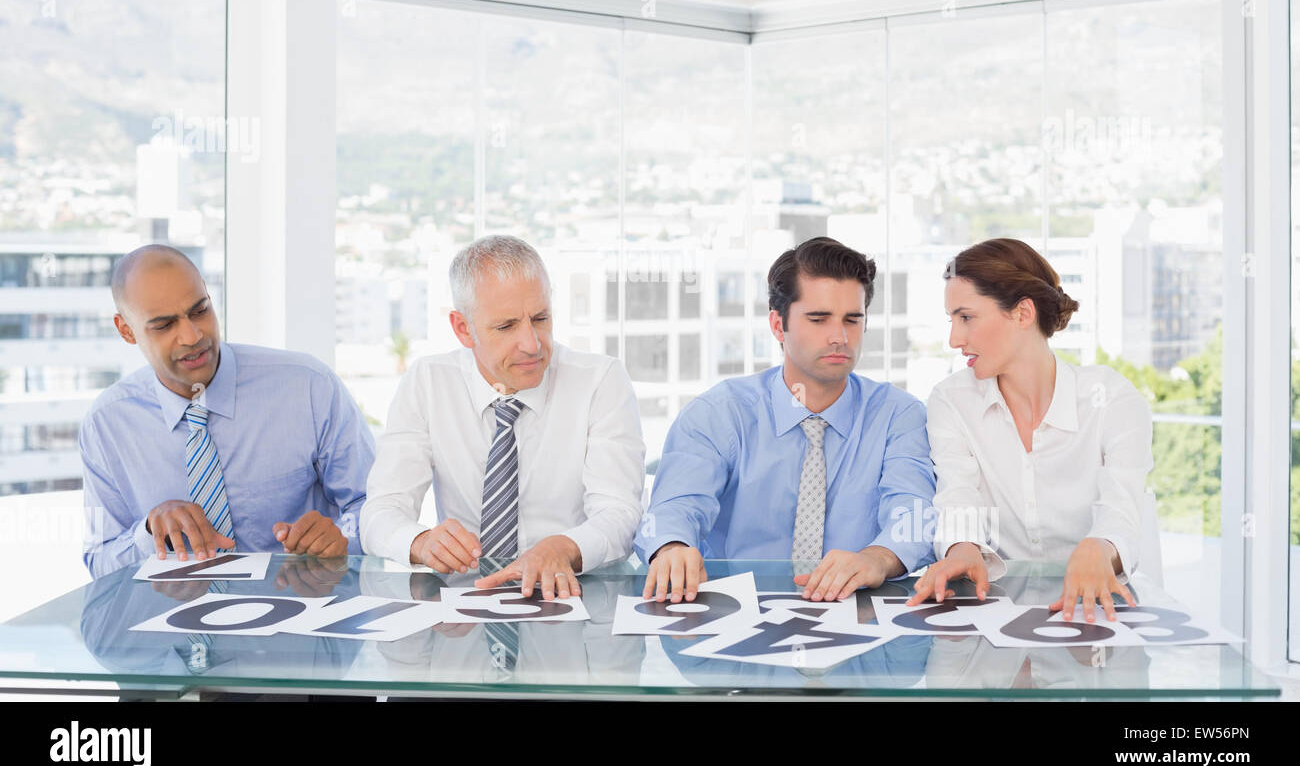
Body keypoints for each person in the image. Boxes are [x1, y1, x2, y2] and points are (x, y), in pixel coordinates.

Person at [636, 237, 937, 604]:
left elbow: (915, 512)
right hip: (735, 626)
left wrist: (878, 557)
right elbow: (675, 506)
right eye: (818, 319)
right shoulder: (718, 414)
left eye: (852, 320)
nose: (840, 337)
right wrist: (672, 547)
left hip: (858, 621)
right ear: (778, 326)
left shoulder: (898, 415)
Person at [359, 235, 645, 602]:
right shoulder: (428, 382)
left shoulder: (600, 381)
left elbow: (620, 513)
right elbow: (380, 513)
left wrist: (563, 547)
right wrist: (420, 542)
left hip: (574, 599)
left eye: (540, 318)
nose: (532, 343)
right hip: (465, 608)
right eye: (506, 326)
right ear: (463, 329)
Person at [80, 244, 374, 579]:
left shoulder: (308, 386)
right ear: (126, 330)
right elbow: (98, 560)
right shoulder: (105, 425)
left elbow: (375, 507)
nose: (192, 336)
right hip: (174, 625)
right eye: (164, 325)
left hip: (304, 613)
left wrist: (342, 539)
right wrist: (148, 534)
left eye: (200, 310)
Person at [906, 238, 1153, 623]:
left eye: (966, 317)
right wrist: (962, 547)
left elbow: (1122, 507)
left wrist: (1100, 546)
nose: (955, 339)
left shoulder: (1112, 400)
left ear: (1022, 314)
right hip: (997, 616)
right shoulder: (951, 401)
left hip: (1099, 614)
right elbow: (957, 494)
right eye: (951, 320)